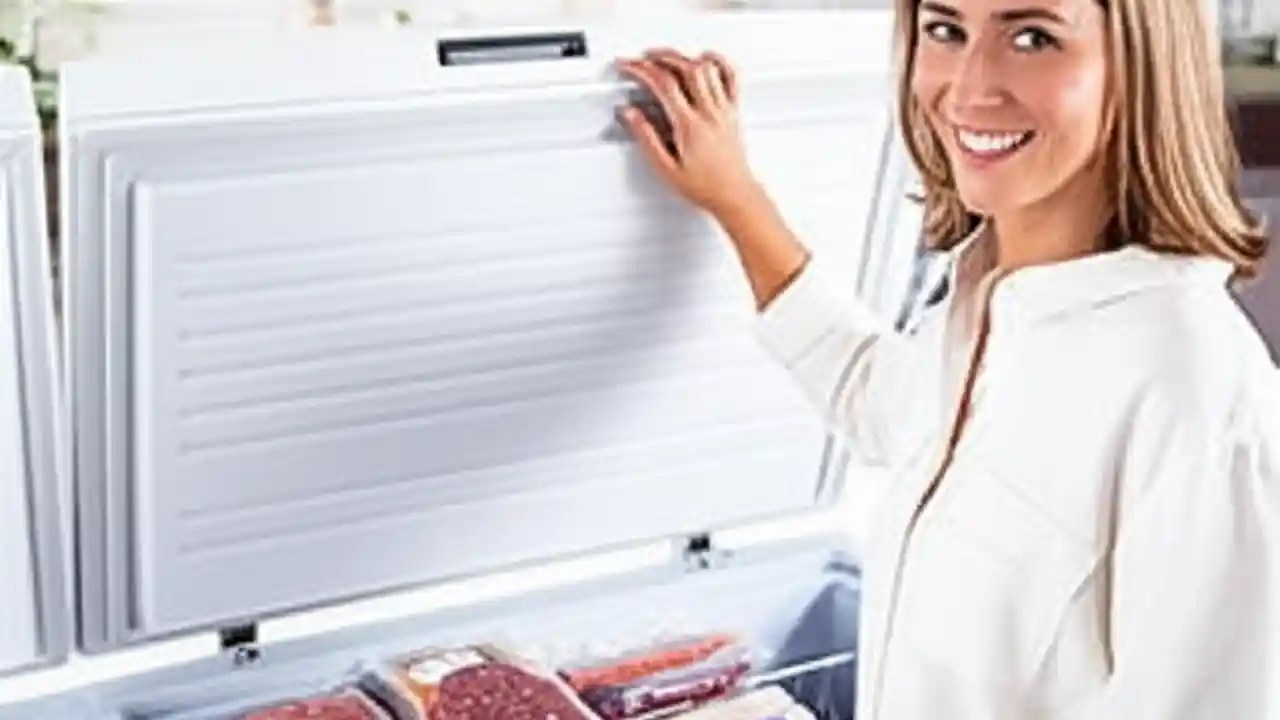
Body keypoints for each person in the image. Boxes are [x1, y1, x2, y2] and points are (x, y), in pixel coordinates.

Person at [615, 0, 1280, 717]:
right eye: (946, 30)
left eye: (1033, 38)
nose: (969, 88)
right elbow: (878, 401)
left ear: (1144, 68)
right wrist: (737, 199)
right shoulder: (991, 301)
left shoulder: (1196, 396)